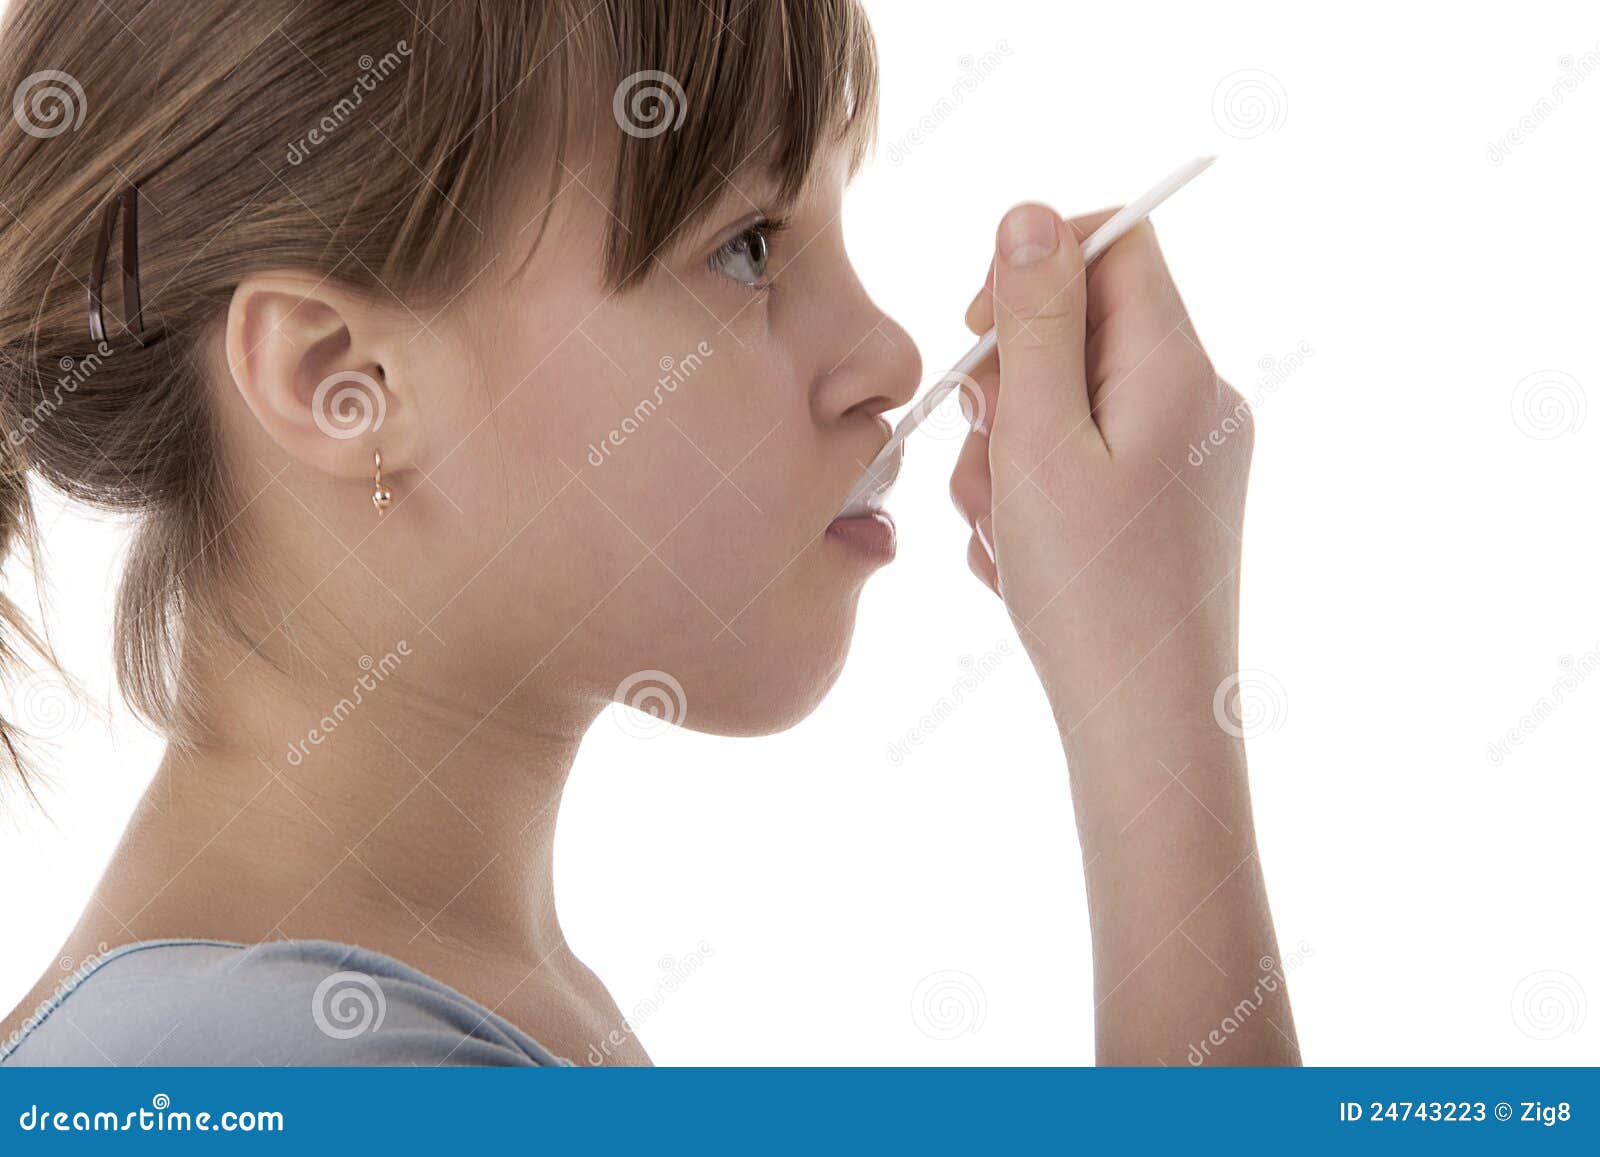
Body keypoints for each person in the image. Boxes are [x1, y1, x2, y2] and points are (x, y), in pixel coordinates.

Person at [0, 0, 1296, 1066]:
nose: (893, 356)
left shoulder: (416, 1006)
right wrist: (1151, 688)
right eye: (747, 248)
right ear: (345, 380)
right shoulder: (271, 1069)